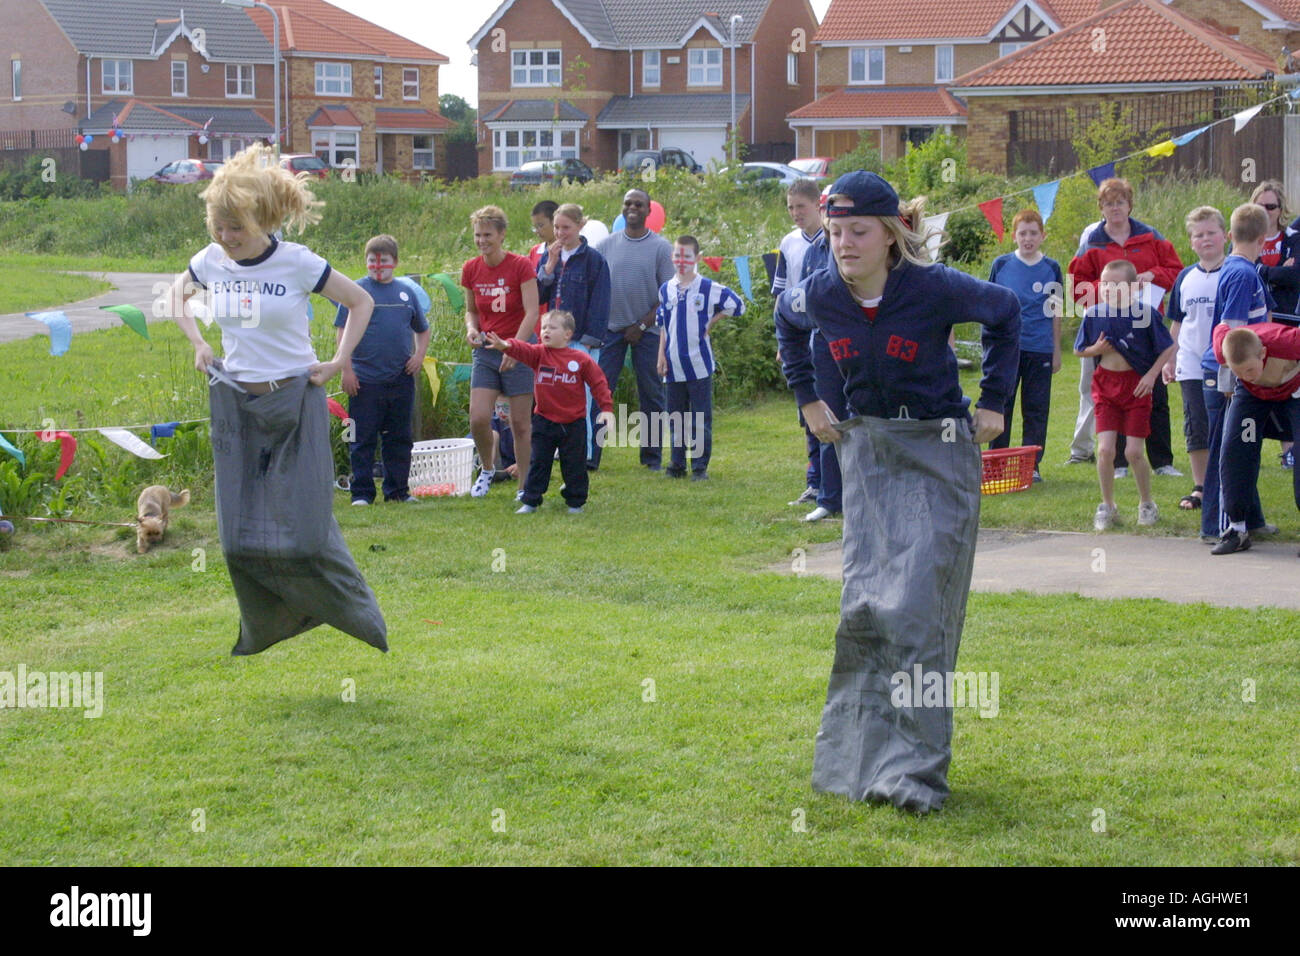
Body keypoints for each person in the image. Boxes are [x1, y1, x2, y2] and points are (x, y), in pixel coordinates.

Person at [780, 170, 1019, 813]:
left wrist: (994, 402)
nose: (844, 243)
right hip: (868, 459)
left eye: (858, 231)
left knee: (917, 614)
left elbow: (1005, 312)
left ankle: (912, 773)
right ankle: (856, 762)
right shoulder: (821, 292)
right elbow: (786, 321)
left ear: (891, 235)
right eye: (834, 231)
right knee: (867, 612)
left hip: (937, 453)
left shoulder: (933, 288)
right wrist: (808, 399)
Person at [168, 143, 386, 655]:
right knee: (237, 542)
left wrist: (337, 361)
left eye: (236, 227)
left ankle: (349, 610)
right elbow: (174, 295)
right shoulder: (211, 261)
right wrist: (199, 343)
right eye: (219, 227)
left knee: (307, 535)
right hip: (236, 407)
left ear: (262, 219)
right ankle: (272, 624)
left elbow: (361, 301)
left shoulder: (296, 262)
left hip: (295, 400)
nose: (226, 237)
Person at [1066, 178, 1183, 477]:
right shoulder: (1092, 242)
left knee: (1154, 394)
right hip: (1107, 330)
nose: (1115, 207)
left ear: (1130, 204)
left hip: (1146, 326)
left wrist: (1150, 275)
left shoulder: (1151, 237)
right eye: (1108, 203)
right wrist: (1111, 287)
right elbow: (1076, 289)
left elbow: (1177, 274)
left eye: (1120, 202)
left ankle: (1162, 461)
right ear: (1101, 208)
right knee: (1112, 394)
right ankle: (1118, 462)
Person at [1073, 259, 1176, 531]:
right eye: (1105, 284)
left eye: (1117, 285)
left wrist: (1152, 375)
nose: (1109, 289)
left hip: (1136, 387)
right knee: (1105, 450)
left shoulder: (1145, 313)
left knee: (1133, 452)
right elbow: (1079, 349)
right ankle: (1108, 505)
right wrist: (1094, 350)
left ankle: (1147, 503)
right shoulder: (1094, 314)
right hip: (1106, 386)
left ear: (1133, 288)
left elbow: (1167, 347)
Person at [484, 310, 614, 513]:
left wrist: (606, 408)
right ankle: (531, 501)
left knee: (575, 465)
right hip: (544, 420)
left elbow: (598, 383)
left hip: (574, 423)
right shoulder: (539, 354)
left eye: (552, 328)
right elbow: (522, 349)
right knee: (539, 463)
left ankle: (575, 503)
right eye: (544, 327)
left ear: (567, 334)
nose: (546, 331)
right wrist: (506, 345)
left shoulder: (581, 359)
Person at [1202, 203, 1277, 552]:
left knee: (1246, 448)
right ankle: (1220, 526)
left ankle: (1252, 518)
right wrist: (1233, 381)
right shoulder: (1242, 275)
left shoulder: (1247, 271)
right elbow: (1232, 334)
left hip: (1243, 374)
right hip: (1227, 375)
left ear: (1230, 236)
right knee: (1226, 450)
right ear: (1263, 240)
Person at [334, 234, 430, 505]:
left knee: (399, 438)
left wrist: (419, 356)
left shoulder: (406, 292)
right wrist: (346, 370)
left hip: (400, 379)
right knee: (360, 438)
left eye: (383, 262)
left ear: (395, 262)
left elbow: (422, 330)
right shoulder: (355, 292)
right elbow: (342, 334)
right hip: (364, 381)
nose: (377, 267)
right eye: (372, 262)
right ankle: (362, 493)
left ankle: (398, 492)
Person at [592, 188, 673, 471]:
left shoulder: (661, 248)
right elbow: (595, 286)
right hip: (611, 332)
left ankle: (651, 458)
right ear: (622, 208)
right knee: (600, 392)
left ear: (649, 211)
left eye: (639, 204)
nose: (633, 208)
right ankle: (592, 455)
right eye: (628, 203)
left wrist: (641, 324)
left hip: (648, 332)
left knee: (651, 394)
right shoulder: (605, 245)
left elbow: (668, 294)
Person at [461, 205, 538, 497]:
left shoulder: (520, 266)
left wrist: (515, 348)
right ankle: (488, 468)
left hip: (519, 348)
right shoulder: (471, 268)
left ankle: (524, 485)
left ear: (502, 234)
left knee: (520, 423)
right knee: (478, 417)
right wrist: (471, 329)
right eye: (478, 235)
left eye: (488, 234)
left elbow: (532, 313)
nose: (482, 240)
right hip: (487, 351)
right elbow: (471, 312)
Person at [655, 235, 744, 479]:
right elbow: (663, 324)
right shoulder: (666, 289)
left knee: (700, 418)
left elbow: (737, 305)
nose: (681, 261)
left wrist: (712, 321)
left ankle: (699, 466)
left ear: (697, 259)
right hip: (673, 364)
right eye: (677, 256)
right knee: (675, 417)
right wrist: (661, 355)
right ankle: (676, 463)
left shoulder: (707, 288)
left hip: (699, 364)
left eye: (686, 256)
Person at [987, 208, 1063, 479]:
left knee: (1035, 408)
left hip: (1039, 347)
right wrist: (991, 347)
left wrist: (1056, 350)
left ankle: (1030, 466)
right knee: (1002, 405)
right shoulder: (1001, 265)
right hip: (1006, 348)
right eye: (1023, 233)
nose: (1028, 239)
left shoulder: (1051, 268)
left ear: (1042, 236)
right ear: (1014, 236)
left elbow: (1056, 311)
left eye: (1033, 233)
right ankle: (995, 465)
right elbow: (990, 305)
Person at [1212, 322, 1300, 555]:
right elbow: (1220, 327)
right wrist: (1242, 378)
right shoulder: (1225, 348)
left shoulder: (1289, 342)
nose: (1245, 376)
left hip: (1295, 389)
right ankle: (1237, 529)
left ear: (1263, 353)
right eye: (1238, 371)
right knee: (1237, 450)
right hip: (1254, 397)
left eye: (1249, 370)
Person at [535, 202, 612, 462]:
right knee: (554, 397)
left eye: (566, 228)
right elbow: (540, 295)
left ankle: (585, 454)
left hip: (581, 342)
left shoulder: (594, 260)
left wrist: (590, 342)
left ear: (580, 226)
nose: (559, 233)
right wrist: (549, 266)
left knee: (582, 400)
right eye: (556, 227)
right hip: (553, 341)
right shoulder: (549, 256)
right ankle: (558, 447)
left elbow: (600, 303)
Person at [1164, 206, 1227, 514]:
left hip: (1226, 365)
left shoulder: (1235, 272)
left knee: (1226, 425)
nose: (1206, 240)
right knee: (1196, 425)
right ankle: (1201, 485)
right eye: (1198, 235)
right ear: (1190, 242)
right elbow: (1176, 323)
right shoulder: (1185, 277)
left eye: (1211, 233)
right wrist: (1168, 359)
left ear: (1225, 235)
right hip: (1190, 365)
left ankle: (1227, 483)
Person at [773, 179, 826, 508]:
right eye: (791, 208)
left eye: (801, 207)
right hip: (798, 335)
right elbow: (780, 294)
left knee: (831, 403)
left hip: (828, 333)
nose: (795, 213)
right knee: (807, 409)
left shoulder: (833, 239)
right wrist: (782, 339)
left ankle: (835, 480)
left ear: (817, 205)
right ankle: (814, 481)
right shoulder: (789, 243)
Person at [1249, 180, 1298, 470]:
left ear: (1281, 210)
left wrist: (1261, 270)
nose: (1265, 211)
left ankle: (1290, 450)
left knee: (1289, 384)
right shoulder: (1245, 237)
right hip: (1256, 324)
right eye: (1260, 206)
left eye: (1271, 206)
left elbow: (1295, 278)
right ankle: (1249, 445)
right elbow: (1240, 269)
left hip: (1287, 321)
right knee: (1258, 383)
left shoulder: (1292, 239)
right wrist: (1276, 271)